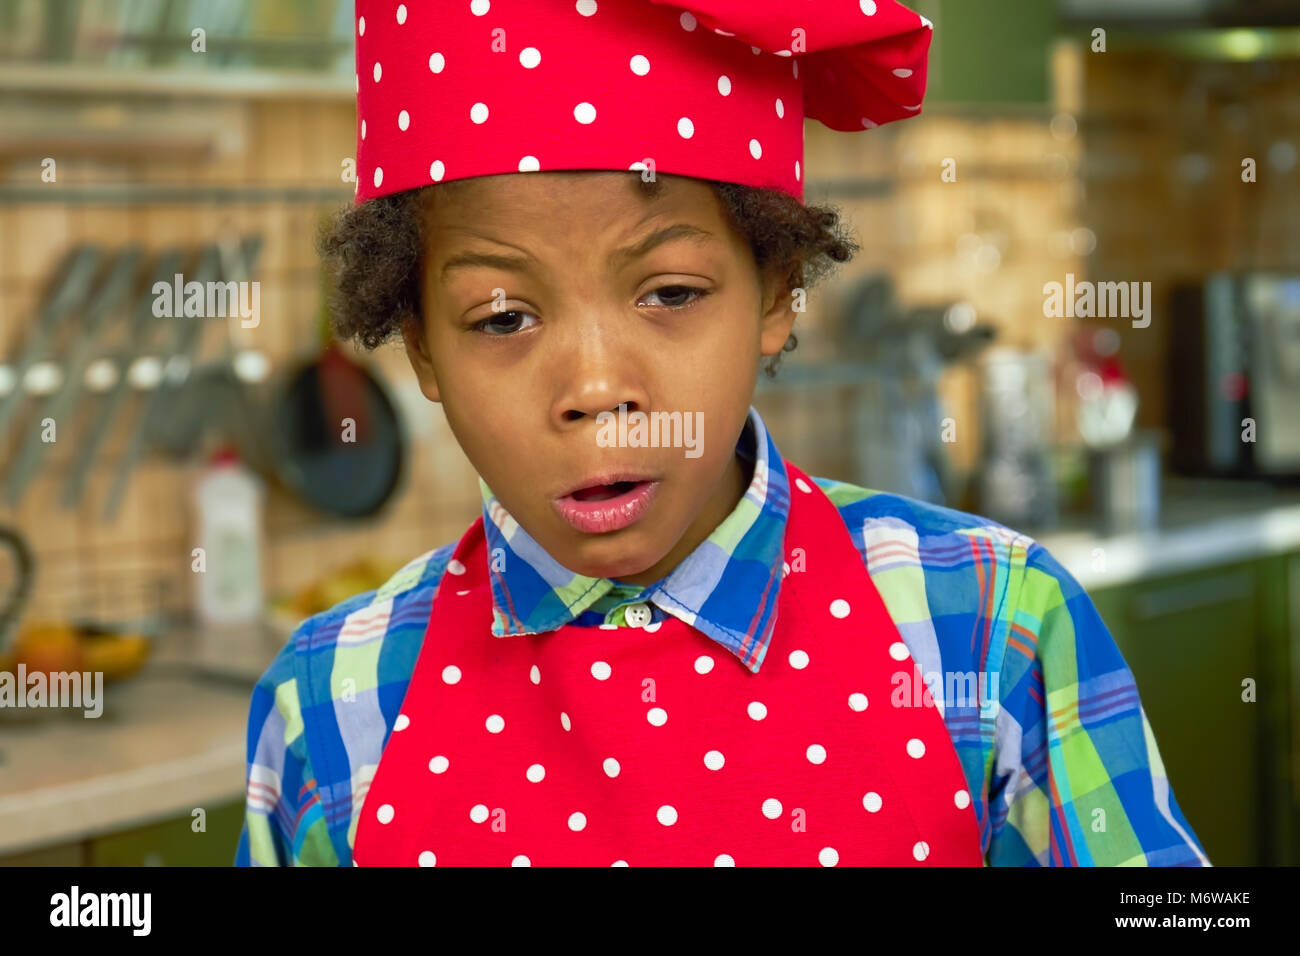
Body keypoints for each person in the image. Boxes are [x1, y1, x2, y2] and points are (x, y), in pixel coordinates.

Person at [236, 0, 1208, 867]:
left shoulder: (992, 625)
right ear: (423, 352)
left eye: (669, 293)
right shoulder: (332, 703)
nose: (595, 388)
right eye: (501, 317)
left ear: (776, 291)